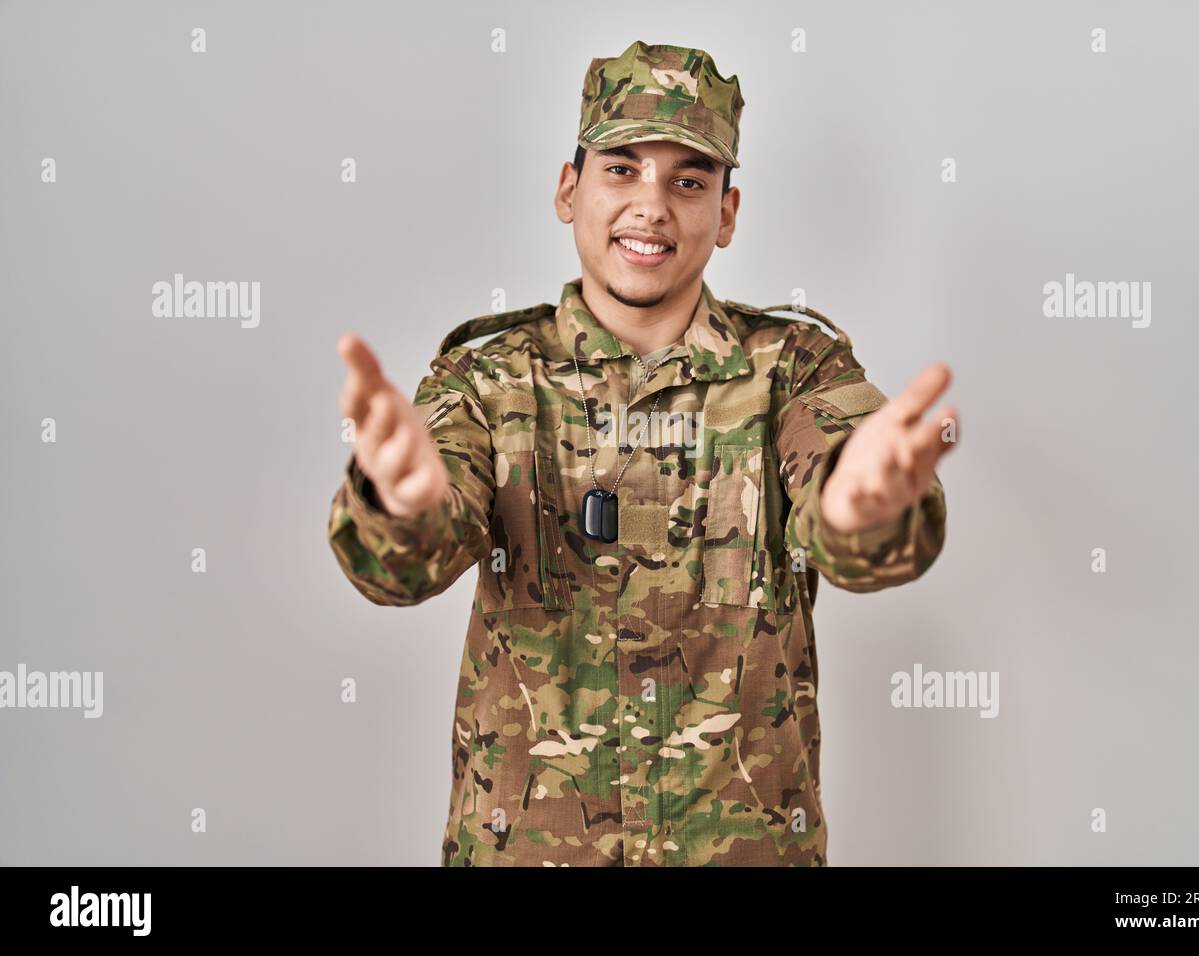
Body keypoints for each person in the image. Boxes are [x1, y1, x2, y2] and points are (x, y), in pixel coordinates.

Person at [328, 40, 958, 866]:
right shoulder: (489, 378)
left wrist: (857, 505)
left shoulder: (793, 370)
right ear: (569, 189)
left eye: (688, 180)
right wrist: (401, 504)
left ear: (727, 213)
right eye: (621, 169)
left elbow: (850, 494)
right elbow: (403, 564)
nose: (651, 205)